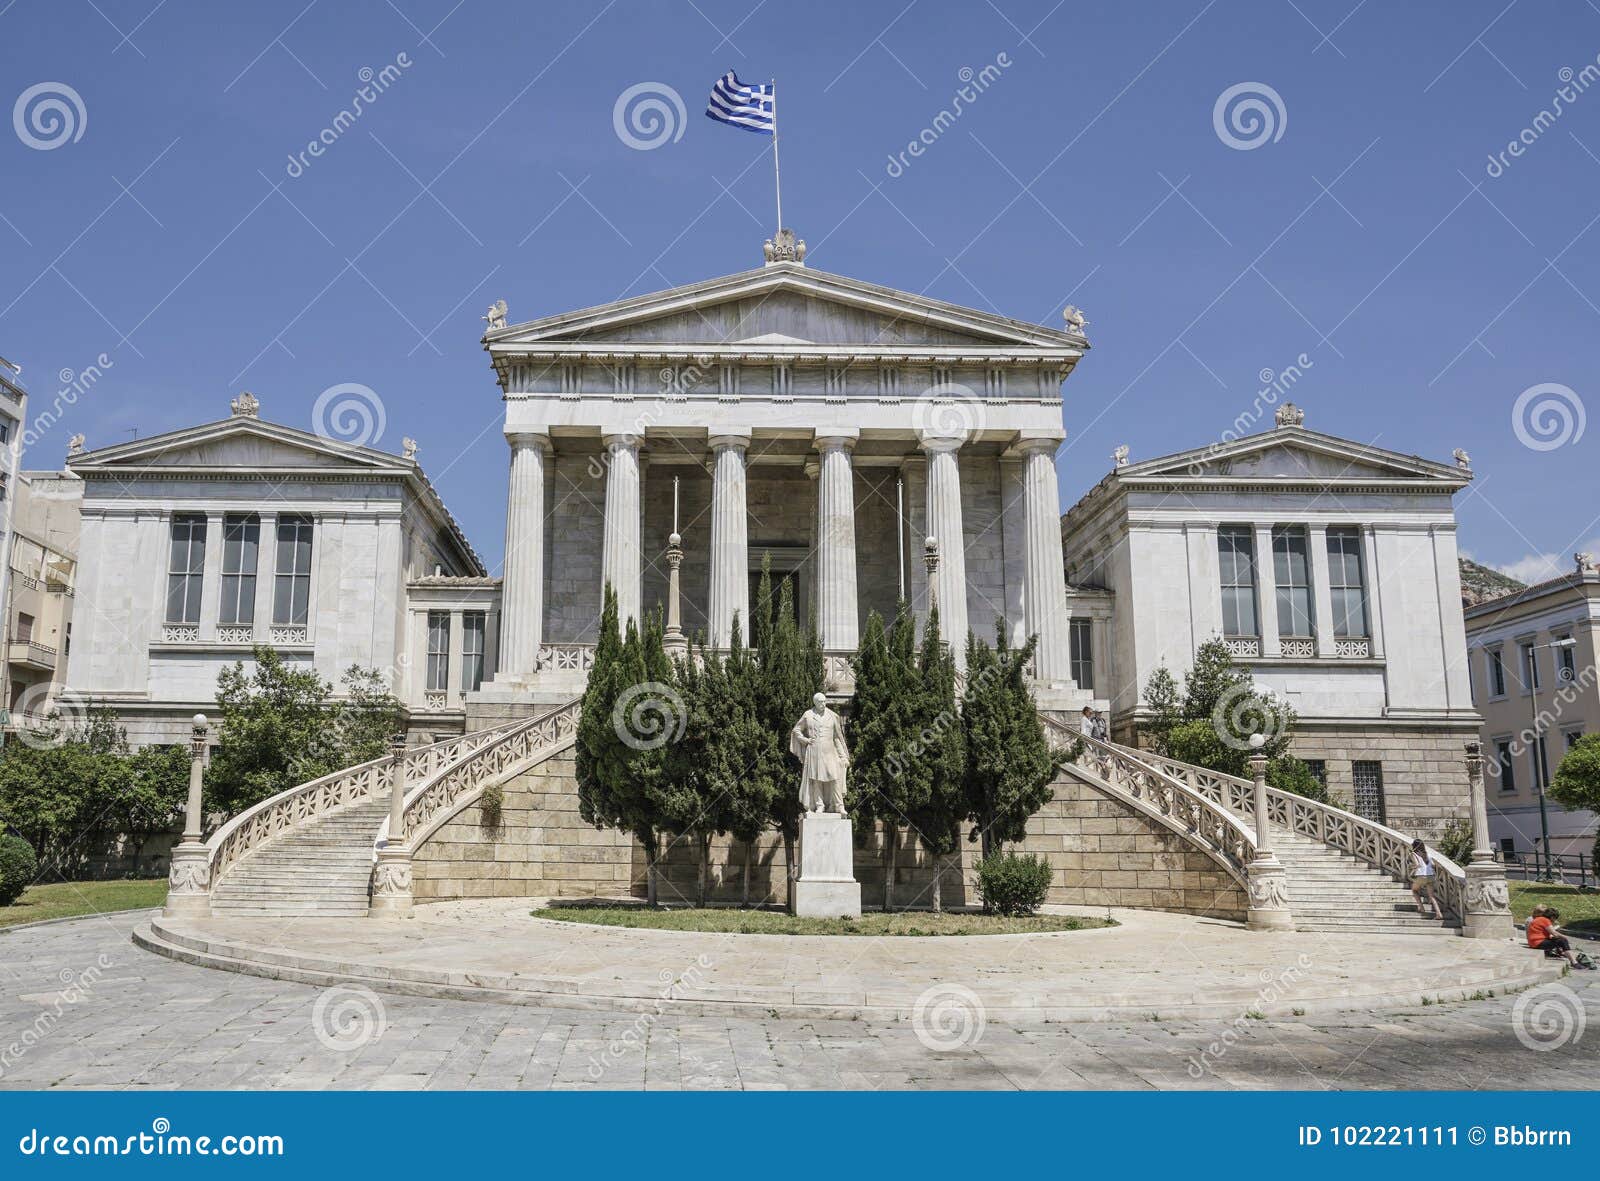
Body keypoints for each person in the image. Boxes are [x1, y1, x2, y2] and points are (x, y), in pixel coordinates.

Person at [1526, 905, 1595, 968]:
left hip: (1534, 942)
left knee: (1557, 940)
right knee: (1562, 940)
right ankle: (1574, 962)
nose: (1555, 920)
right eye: (1555, 918)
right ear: (1552, 917)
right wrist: (1565, 937)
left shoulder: (1540, 919)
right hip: (1537, 943)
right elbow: (1554, 933)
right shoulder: (1545, 920)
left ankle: (1562, 952)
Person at [1409, 838, 1439, 920]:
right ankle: (1439, 913)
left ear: (1414, 846)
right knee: (1432, 896)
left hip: (1421, 876)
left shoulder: (1413, 854)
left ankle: (1421, 908)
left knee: (1414, 890)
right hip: (1430, 876)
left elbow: (1417, 865)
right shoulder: (1427, 854)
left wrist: (1411, 867)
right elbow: (1433, 865)